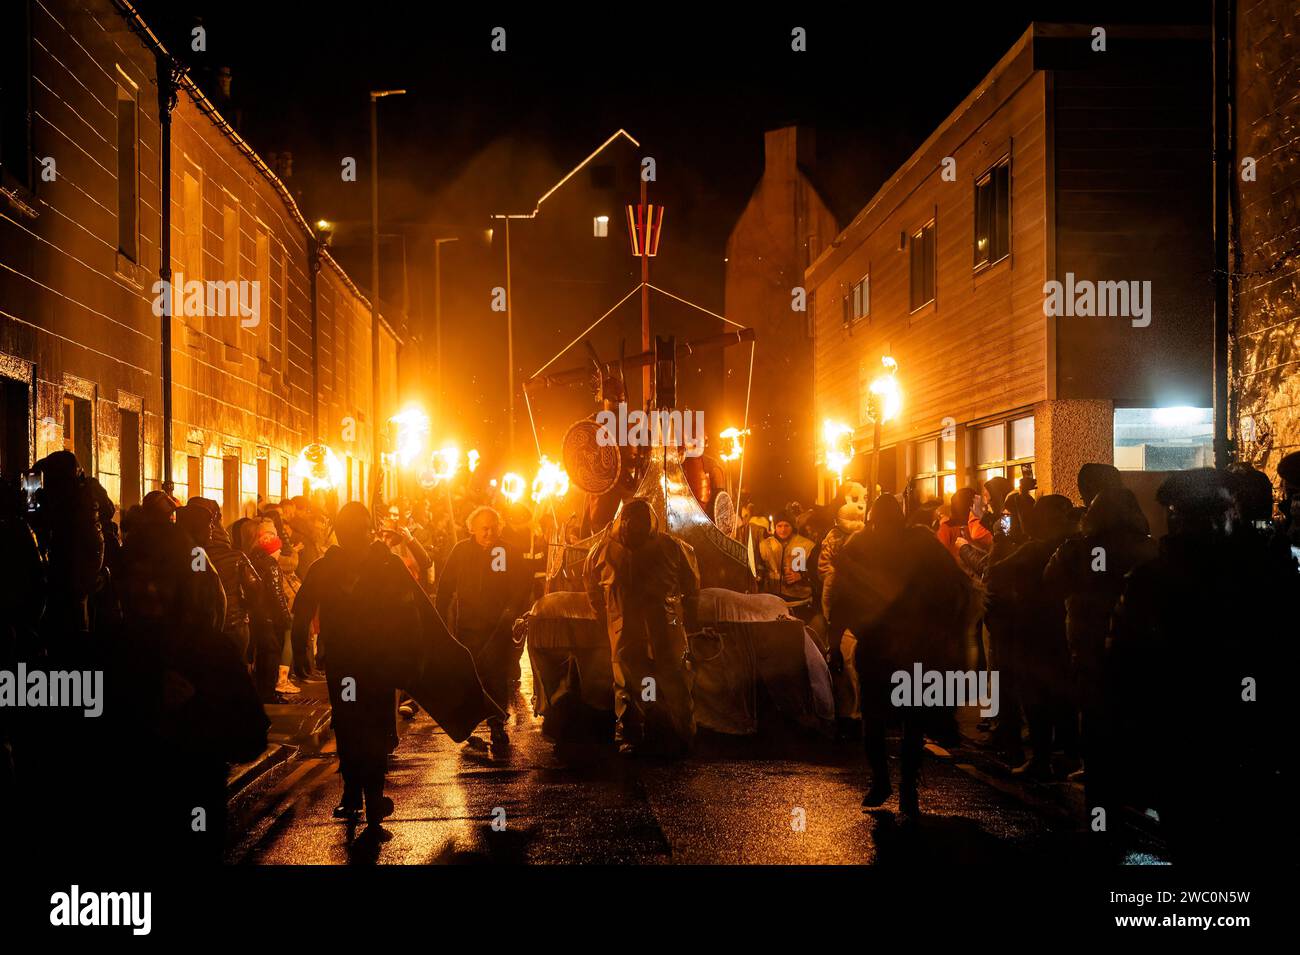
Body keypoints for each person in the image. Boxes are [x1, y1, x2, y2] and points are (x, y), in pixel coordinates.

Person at [1109, 468, 1294, 864]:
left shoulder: (1151, 580)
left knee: (1194, 842)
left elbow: (1127, 669)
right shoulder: (1262, 573)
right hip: (1241, 738)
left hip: (1183, 738)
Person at [826, 494, 978, 821]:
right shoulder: (871, 544)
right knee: (900, 718)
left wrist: (834, 642)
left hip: (905, 646)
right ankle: (893, 784)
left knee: (890, 718)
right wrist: (834, 642)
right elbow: (843, 596)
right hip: (893, 646)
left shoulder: (888, 543)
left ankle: (895, 784)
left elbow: (841, 598)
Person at [1043, 487, 1156, 803]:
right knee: (1131, 702)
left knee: (1093, 704)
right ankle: (1132, 771)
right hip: (1133, 637)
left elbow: (1051, 582)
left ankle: (1097, 772)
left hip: (1088, 634)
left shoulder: (1081, 548)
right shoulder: (1145, 547)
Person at [291, 503, 399, 824]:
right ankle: (368, 796)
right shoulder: (384, 564)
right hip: (371, 663)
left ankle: (357, 795)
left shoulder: (327, 567)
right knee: (371, 724)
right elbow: (412, 615)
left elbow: (301, 614)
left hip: (350, 667)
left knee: (351, 724)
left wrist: (301, 656)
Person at [585, 498, 701, 756]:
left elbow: (691, 587)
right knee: (636, 686)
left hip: (654, 631)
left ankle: (670, 734)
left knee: (661, 684)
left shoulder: (671, 547)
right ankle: (646, 734)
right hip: (638, 631)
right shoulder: (604, 550)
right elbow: (593, 590)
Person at [987, 494, 1079, 779]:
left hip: (1032, 629)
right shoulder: (1077, 545)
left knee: (1035, 694)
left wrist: (1001, 545)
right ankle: (1069, 755)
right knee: (1063, 696)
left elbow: (994, 570)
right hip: (1062, 630)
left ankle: (1041, 758)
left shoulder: (1034, 548)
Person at [435, 505, 532, 752]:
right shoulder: (461, 551)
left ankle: (497, 724)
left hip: (497, 629)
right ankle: (466, 725)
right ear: (472, 529)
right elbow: (445, 587)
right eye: (484, 529)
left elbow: (520, 587)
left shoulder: (506, 552)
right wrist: (441, 622)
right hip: (467, 628)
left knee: (496, 677)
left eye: (493, 528)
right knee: (470, 677)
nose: (489, 533)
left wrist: (510, 613)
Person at [241, 518, 293, 703]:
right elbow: (277, 594)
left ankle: (263, 690)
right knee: (271, 654)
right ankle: (268, 692)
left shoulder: (252, 560)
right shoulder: (271, 565)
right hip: (269, 617)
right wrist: (286, 618)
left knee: (262, 654)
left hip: (256, 615)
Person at [759, 509, 815, 620]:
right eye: (779, 526)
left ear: (792, 526)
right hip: (773, 597)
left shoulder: (806, 545)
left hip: (798, 601)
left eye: (786, 526)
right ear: (775, 526)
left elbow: (816, 573)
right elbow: (760, 567)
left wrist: (801, 576)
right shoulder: (765, 545)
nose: (783, 530)